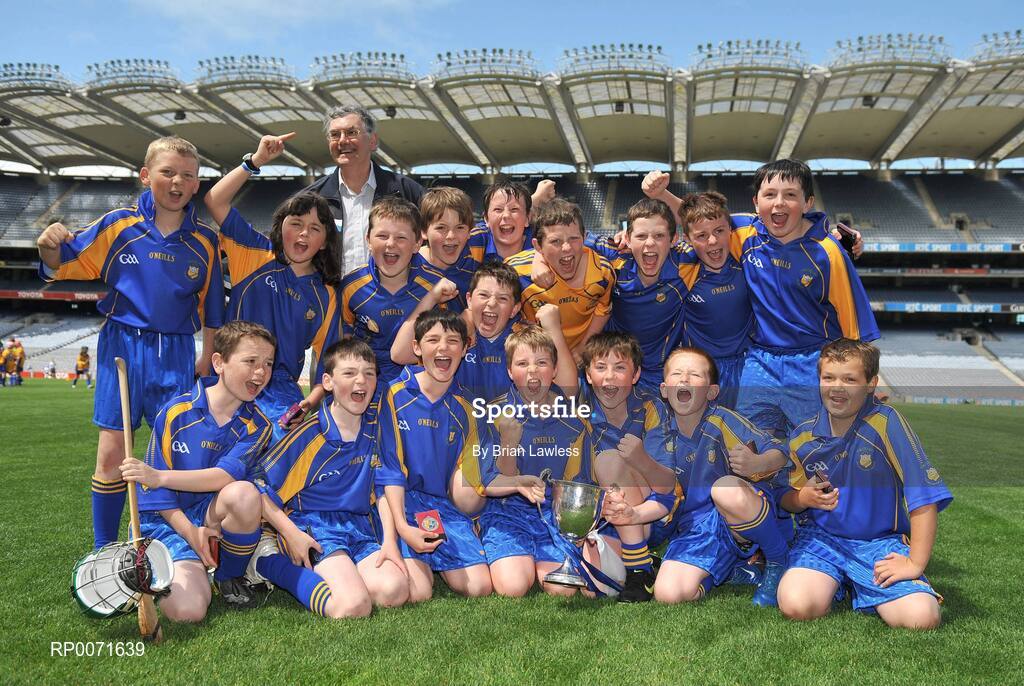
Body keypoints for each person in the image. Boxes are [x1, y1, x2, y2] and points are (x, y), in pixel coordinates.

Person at [37, 135, 225, 550]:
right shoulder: (118, 226)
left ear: (197, 186)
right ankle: (104, 552)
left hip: (176, 353)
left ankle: (169, 545)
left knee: (174, 456)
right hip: (121, 348)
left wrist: (205, 357)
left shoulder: (206, 242)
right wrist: (47, 247)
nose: (177, 182)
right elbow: (63, 263)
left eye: (187, 176)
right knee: (111, 454)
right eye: (167, 172)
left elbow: (213, 310)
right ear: (146, 176)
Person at [777, 339, 951, 629]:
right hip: (823, 540)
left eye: (850, 379)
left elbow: (924, 495)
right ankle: (838, 581)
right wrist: (803, 499)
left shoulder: (886, 423)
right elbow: (785, 496)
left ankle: (856, 583)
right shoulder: (802, 437)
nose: (837, 388)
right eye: (828, 377)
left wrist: (915, 564)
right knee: (797, 605)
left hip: (878, 544)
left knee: (922, 618)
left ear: (871, 383)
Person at [606, 347, 793, 606]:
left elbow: (781, 452)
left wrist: (758, 462)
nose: (684, 380)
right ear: (663, 389)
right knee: (668, 594)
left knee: (725, 489)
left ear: (712, 391)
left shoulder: (722, 421)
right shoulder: (657, 435)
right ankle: (729, 571)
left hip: (732, 520)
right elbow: (663, 493)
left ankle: (777, 559)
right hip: (694, 531)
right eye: (677, 374)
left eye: (694, 375)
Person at [118, 321, 275, 620]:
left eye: (267, 363)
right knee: (186, 612)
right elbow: (157, 494)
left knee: (243, 494)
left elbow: (223, 478)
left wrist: (159, 475)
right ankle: (160, 563)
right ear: (219, 362)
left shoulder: (259, 426)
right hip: (168, 523)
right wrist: (190, 532)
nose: (261, 372)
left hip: (212, 518)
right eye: (251, 361)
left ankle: (228, 575)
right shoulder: (175, 412)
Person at [247, 337, 410, 618]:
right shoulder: (309, 434)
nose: (361, 381)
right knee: (352, 606)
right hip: (313, 525)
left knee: (394, 590)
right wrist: (292, 535)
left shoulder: (377, 424)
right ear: (328, 381)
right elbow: (258, 486)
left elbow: (383, 485)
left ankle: (346, 571)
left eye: (369, 373)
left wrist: (389, 541)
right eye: (349, 373)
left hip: (359, 525)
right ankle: (267, 562)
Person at [204, 132, 343, 442]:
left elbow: (327, 366)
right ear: (281, 225)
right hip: (227, 378)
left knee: (282, 463)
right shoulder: (252, 253)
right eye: (296, 223)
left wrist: (309, 403)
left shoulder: (326, 294)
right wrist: (256, 161)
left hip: (280, 391)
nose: (303, 234)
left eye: (315, 228)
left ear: (324, 243)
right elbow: (214, 200)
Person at [479, 325, 623, 598]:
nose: (532, 371)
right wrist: (510, 446)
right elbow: (488, 484)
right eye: (522, 364)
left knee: (563, 589)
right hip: (507, 513)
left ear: (554, 369)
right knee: (513, 587)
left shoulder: (575, 419)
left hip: (553, 517)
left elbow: (580, 484)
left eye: (542, 363)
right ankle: (518, 558)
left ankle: (549, 557)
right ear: (510, 371)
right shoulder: (492, 414)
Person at [375, 310, 493, 601]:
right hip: (398, 502)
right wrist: (402, 526)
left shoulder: (467, 407)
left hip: (439, 506)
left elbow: (471, 482)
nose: (443, 347)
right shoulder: (394, 394)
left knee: (479, 587)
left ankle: (438, 552)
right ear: (417, 348)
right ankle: (412, 556)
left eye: (453, 341)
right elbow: (388, 470)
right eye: (433, 340)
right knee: (417, 592)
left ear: (465, 349)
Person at [578, 331, 677, 602]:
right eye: (600, 368)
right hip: (606, 515)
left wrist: (641, 459)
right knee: (592, 588)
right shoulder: (580, 414)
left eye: (620, 368)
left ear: (635, 376)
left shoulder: (651, 409)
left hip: (652, 514)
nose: (609, 376)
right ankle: (643, 557)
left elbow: (666, 484)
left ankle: (639, 571)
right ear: (588, 375)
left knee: (609, 459)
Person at [301, 106, 425, 276]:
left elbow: (435, 237)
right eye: (335, 135)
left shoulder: (407, 192)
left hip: (392, 300)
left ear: (373, 141)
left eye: (352, 133)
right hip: (330, 300)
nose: (342, 141)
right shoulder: (310, 199)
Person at [341, 197, 447, 386]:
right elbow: (343, 346)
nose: (390, 243)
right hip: (365, 386)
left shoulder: (436, 286)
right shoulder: (351, 286)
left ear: (417, 244)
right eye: (382, 236)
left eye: (401, 237)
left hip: (417, 386)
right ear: (368, 240)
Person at [674, 192, 755, 409]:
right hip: (705, 371)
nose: (712, 241)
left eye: (719, 231)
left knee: (748, 437)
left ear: (730, 230)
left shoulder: (748, 262)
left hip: (749, 368)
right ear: (688, 240)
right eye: (701, 236)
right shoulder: (682, 271)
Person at [507, 197, 615, 359]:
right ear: (538, 246)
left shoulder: (603, 272)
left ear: (584, 237)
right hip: (534, 356)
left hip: (580, 354)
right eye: (555, 241)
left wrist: (581, 348)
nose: (566, 248)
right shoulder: (516, 272)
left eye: (574, 239)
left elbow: (603, 309)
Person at [418, 186, 481, 313]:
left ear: (470, 231)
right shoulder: (408, 268)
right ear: (424, 231)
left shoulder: (473, 260)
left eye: (460, 227)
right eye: (441, 228)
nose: (451, 236)